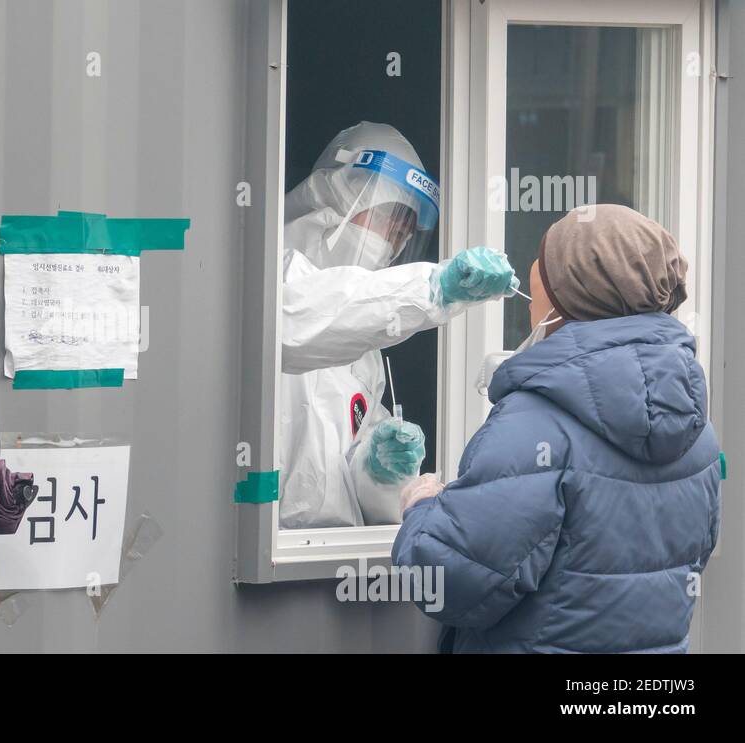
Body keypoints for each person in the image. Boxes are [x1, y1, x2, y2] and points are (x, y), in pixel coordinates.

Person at [393, 204, 721, 653]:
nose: (532, 305)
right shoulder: (697, 430)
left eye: (539, 291)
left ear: (573, 299)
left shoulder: (535, 423)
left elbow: (449, 582)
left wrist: (422, 507)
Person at [280, 122, 517, 529]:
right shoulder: (271, 275)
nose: (395, 241)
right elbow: (304, 322)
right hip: (254, 548)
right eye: (390, 219)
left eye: (405, 232)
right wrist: (437, 288)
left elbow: (341, 480)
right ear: (339, 197)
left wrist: (379, 469)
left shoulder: (364, 354)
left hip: (322, 555)